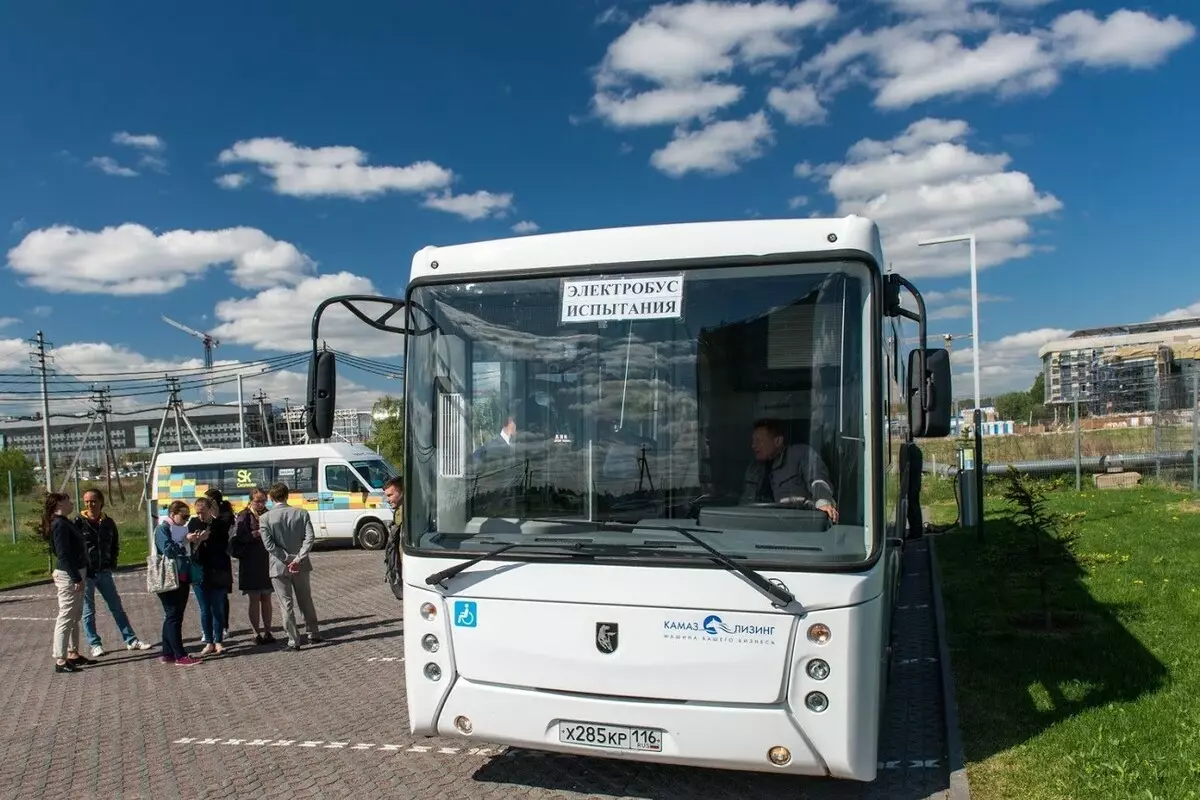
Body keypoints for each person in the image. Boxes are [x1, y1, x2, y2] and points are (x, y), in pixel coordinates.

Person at [76, 488, 153, 657]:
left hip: (104, 571)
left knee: (116, 606)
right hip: (87, 573)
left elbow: (114, 544)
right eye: (87, 501)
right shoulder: (78, 522)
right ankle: (95, 643)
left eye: (94, 501)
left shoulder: (108, 522)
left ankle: (131, 639)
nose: (90, 504)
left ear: (101, 502)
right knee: (88, 611)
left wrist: (112, 562)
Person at [259, 482, 322, 651]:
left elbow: (269, 545)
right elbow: (310, 538)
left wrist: (286, 558)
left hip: (279, 566)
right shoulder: (301, 513)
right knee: (305, 600)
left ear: (271, 498)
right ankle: (313, 633)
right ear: (287, 495)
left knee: (285, 604)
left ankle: (294, 640)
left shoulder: (265, 518)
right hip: (300, 565)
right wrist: (298, 558)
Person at [741, 418, 839, 522]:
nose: (753, 446)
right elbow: (745, 501)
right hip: (757, 525)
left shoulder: (801, 455)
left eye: (758, 441)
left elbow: (818, 481)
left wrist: (823, 502)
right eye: (753, 441)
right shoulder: (753, 468)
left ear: (778, 441)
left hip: (796, 524)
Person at [45, 492, 93, 673]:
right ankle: (60, 659)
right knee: (66, 616)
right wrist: (75, 577)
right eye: (68, 501)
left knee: (75, 615)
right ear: (59, 503)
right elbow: (62, 554)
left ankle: (73, 653)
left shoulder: (66, 522)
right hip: (68, 575)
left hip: (77, 570)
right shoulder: (58, 524)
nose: (72, 503)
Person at [152, 501, 203, 666]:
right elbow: (168, 549)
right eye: (184, 516)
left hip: (181, 576)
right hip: (168, 578)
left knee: (174, 615)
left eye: (188, 516)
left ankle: (167, 653)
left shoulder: (182, 528)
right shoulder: (163, 528)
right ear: (173, 514)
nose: (186, 520)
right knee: (173, 615)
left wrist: (195, 539)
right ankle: (179, 655)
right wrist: (184, 541)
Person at [230, 486, 276, 644]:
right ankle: (256, 633)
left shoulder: (269, 514)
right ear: (251, 501)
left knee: (267, 597)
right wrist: (254, 534)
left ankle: (268, 631)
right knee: (254, 598)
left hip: (266, 560)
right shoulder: (244, 516)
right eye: (258, 501)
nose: (261, 504)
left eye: (264, 501)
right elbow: (237, 537)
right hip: (250, 562)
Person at [189, 497, 233, 656]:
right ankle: (208, 641)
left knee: (218, 608)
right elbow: (189, 546)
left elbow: (224, 546)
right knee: (205, 609)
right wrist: (196, 540)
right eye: (198, 513)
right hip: (200, 571)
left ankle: (219, 640)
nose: (200, 516)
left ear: (211, 510)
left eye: (203, 512)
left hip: (217, 570)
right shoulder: (193, 524)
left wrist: (209, 538)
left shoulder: (220, 524)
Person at [204, 488, 235, 636]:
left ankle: (224, 626)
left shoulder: (224, 514)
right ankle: (212, 626)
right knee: (209, 596)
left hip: (222, 557)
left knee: (222, 594)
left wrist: (214, 516)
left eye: (208, 501)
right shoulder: (205, 514)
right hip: (209, 558)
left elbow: (221, 532)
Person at [382, 475, 404, 602]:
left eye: (390, 495)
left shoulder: (408, 511)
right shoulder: (399, 511)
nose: (388, 500)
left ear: (401, 492)